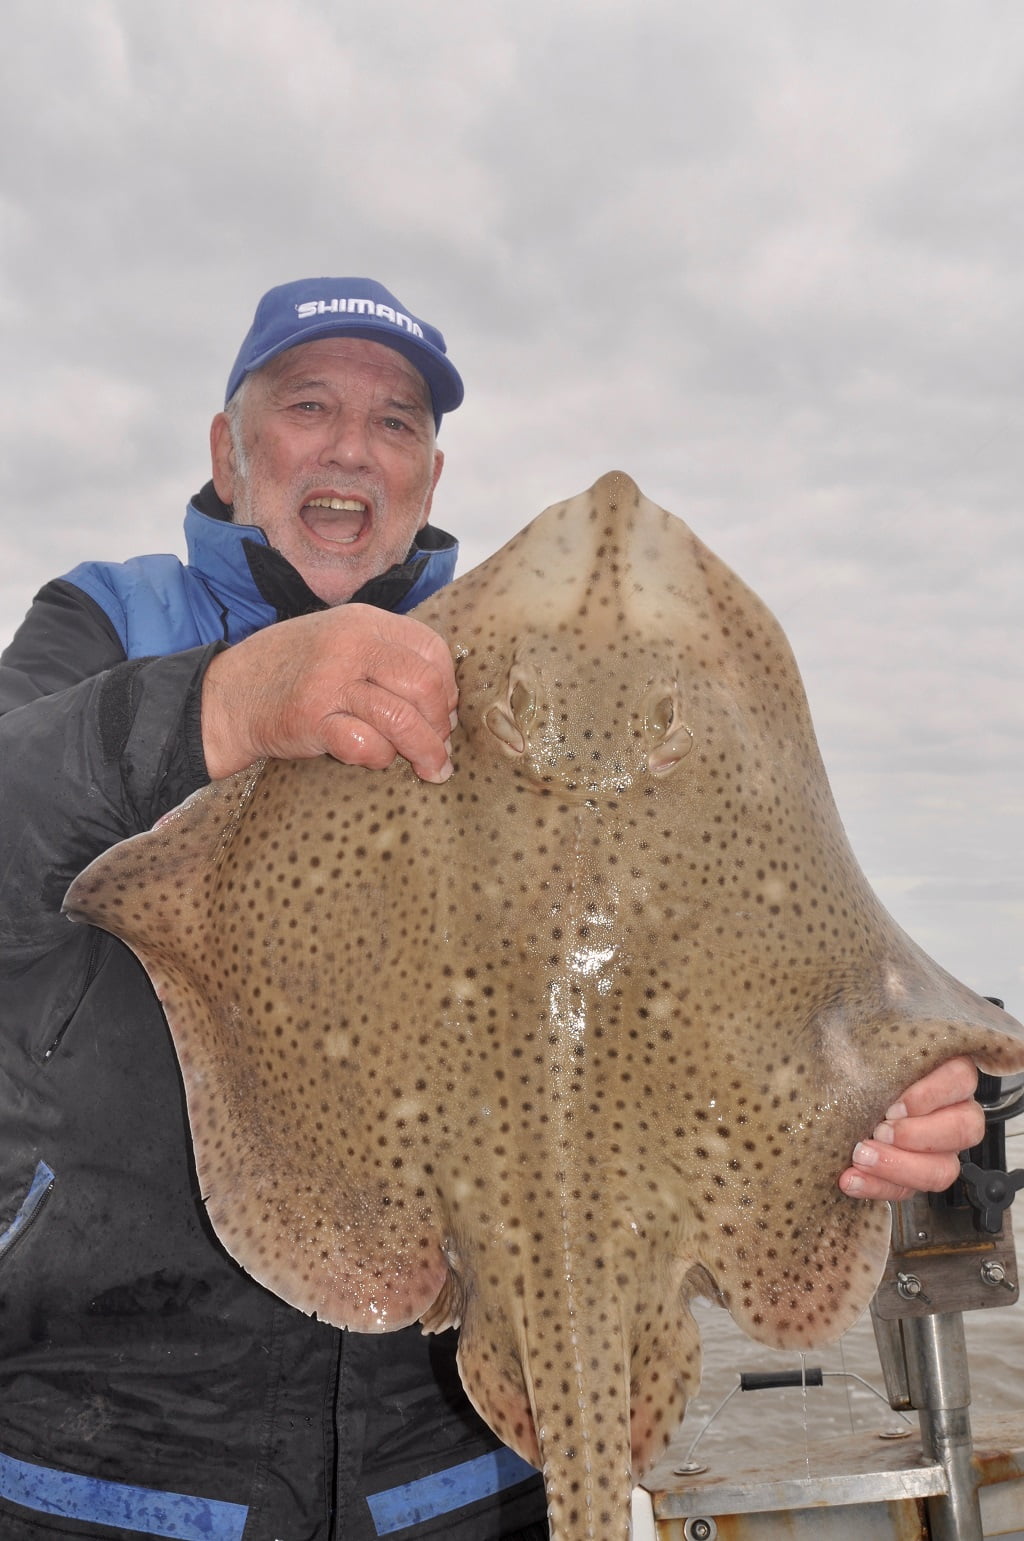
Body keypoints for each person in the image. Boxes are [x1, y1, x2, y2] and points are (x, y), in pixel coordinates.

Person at [0, 276, 986, 1541]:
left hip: (458, 1477)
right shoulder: (109, 623)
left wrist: (876, 1098)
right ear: (226, 446)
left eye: (396, 422)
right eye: (309, 404)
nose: (353, 444)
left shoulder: (478, 663)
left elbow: (777, 980)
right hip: (108, 1459)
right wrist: (225, 707)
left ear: (430, 471)